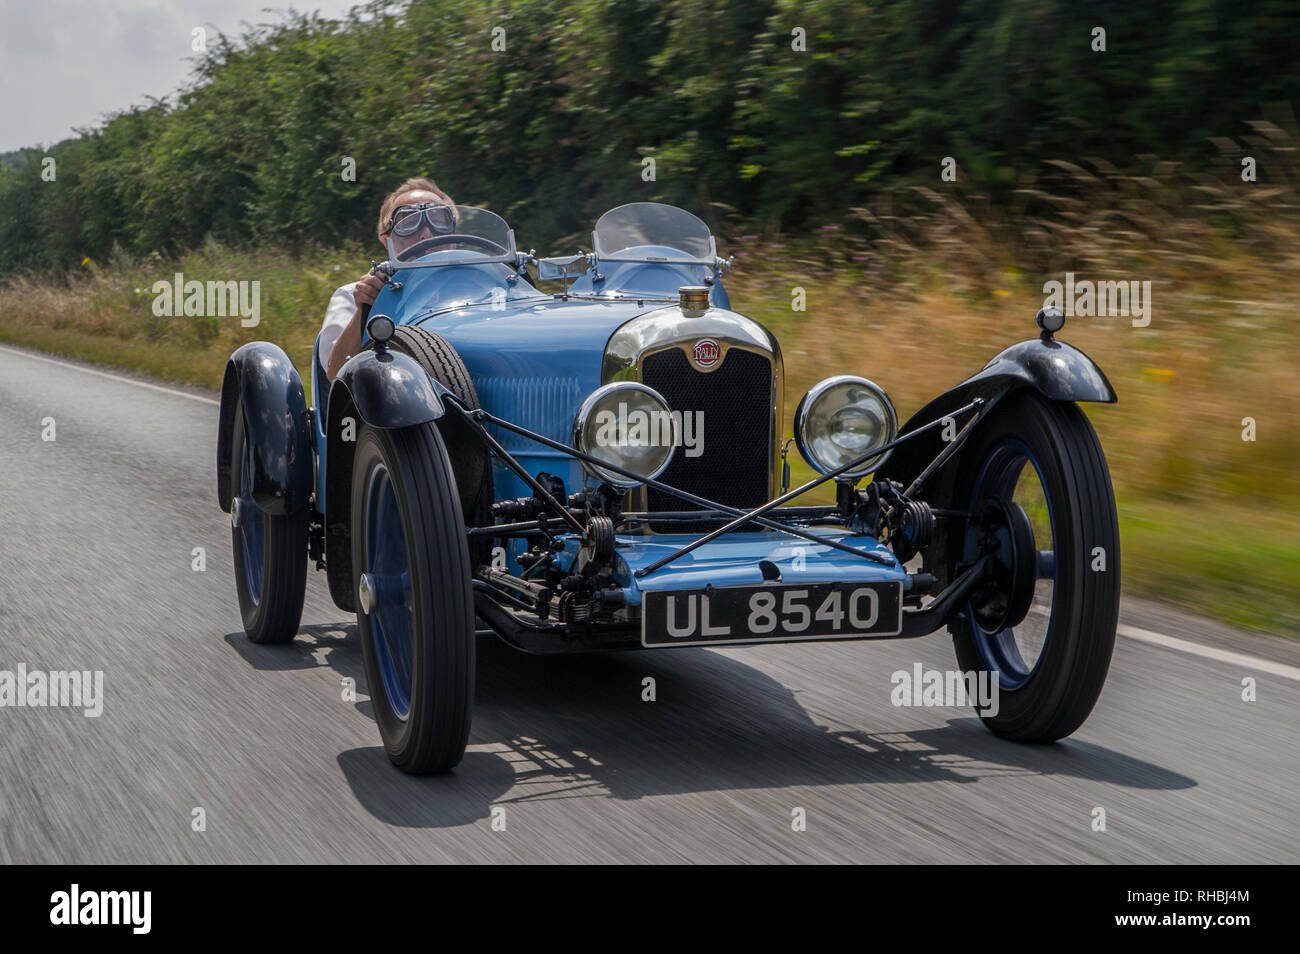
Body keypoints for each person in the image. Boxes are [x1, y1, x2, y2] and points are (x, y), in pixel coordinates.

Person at [320, 177, 458, 382]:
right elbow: (336, 372)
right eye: (409, 222)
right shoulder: (353, 295)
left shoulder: (480, 290)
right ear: (387, 241)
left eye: (439, 220)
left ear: (453, 237)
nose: (427, 234)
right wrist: (364, 308)